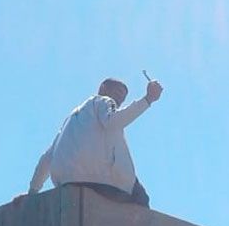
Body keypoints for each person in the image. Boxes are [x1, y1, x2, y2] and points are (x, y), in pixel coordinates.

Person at [25, 77, 163, 206]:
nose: (120, 99)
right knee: (142, 198)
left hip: (68, 181)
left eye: (123, 97)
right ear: (103, 88)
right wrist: (148, 99)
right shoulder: (103, 101)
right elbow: (112, 121)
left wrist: (33, 190)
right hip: (103, 179)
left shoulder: (71, 120)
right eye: (118, 92)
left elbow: (49, 156)